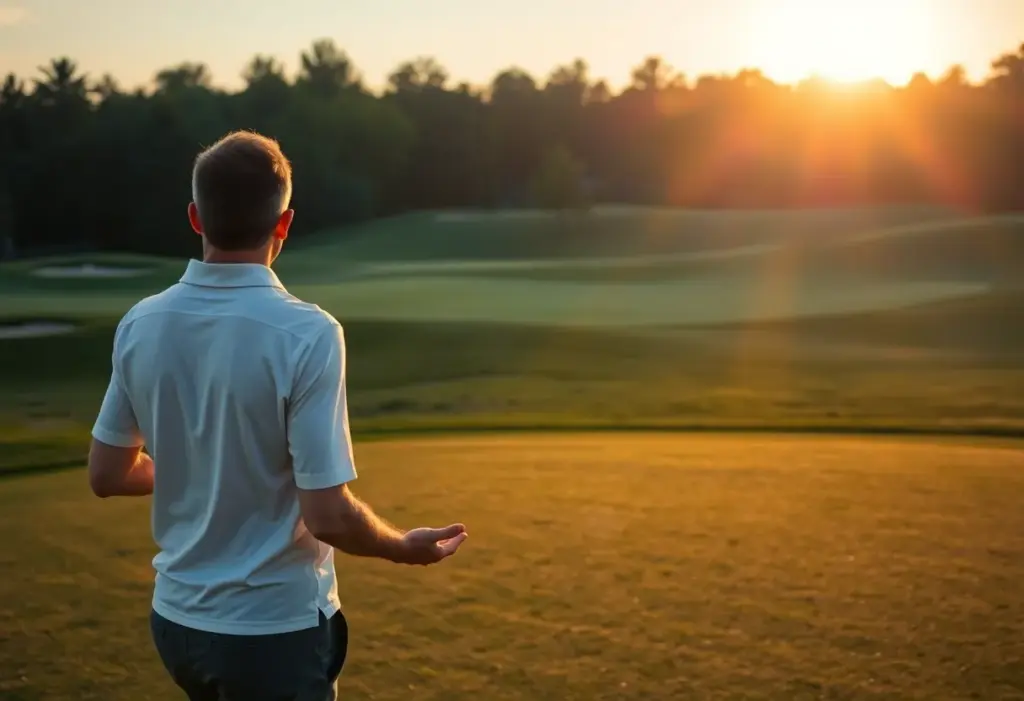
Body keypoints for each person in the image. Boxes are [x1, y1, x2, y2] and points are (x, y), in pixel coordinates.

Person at [86, 130, 468, 700]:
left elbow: (108, 473)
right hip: (271, 634)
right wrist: (400, 546)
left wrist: (206, 463)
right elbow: (329, 516)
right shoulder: (309, 333)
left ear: (195, 217)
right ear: (284, 224)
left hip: (176, 624)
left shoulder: (141, 322)